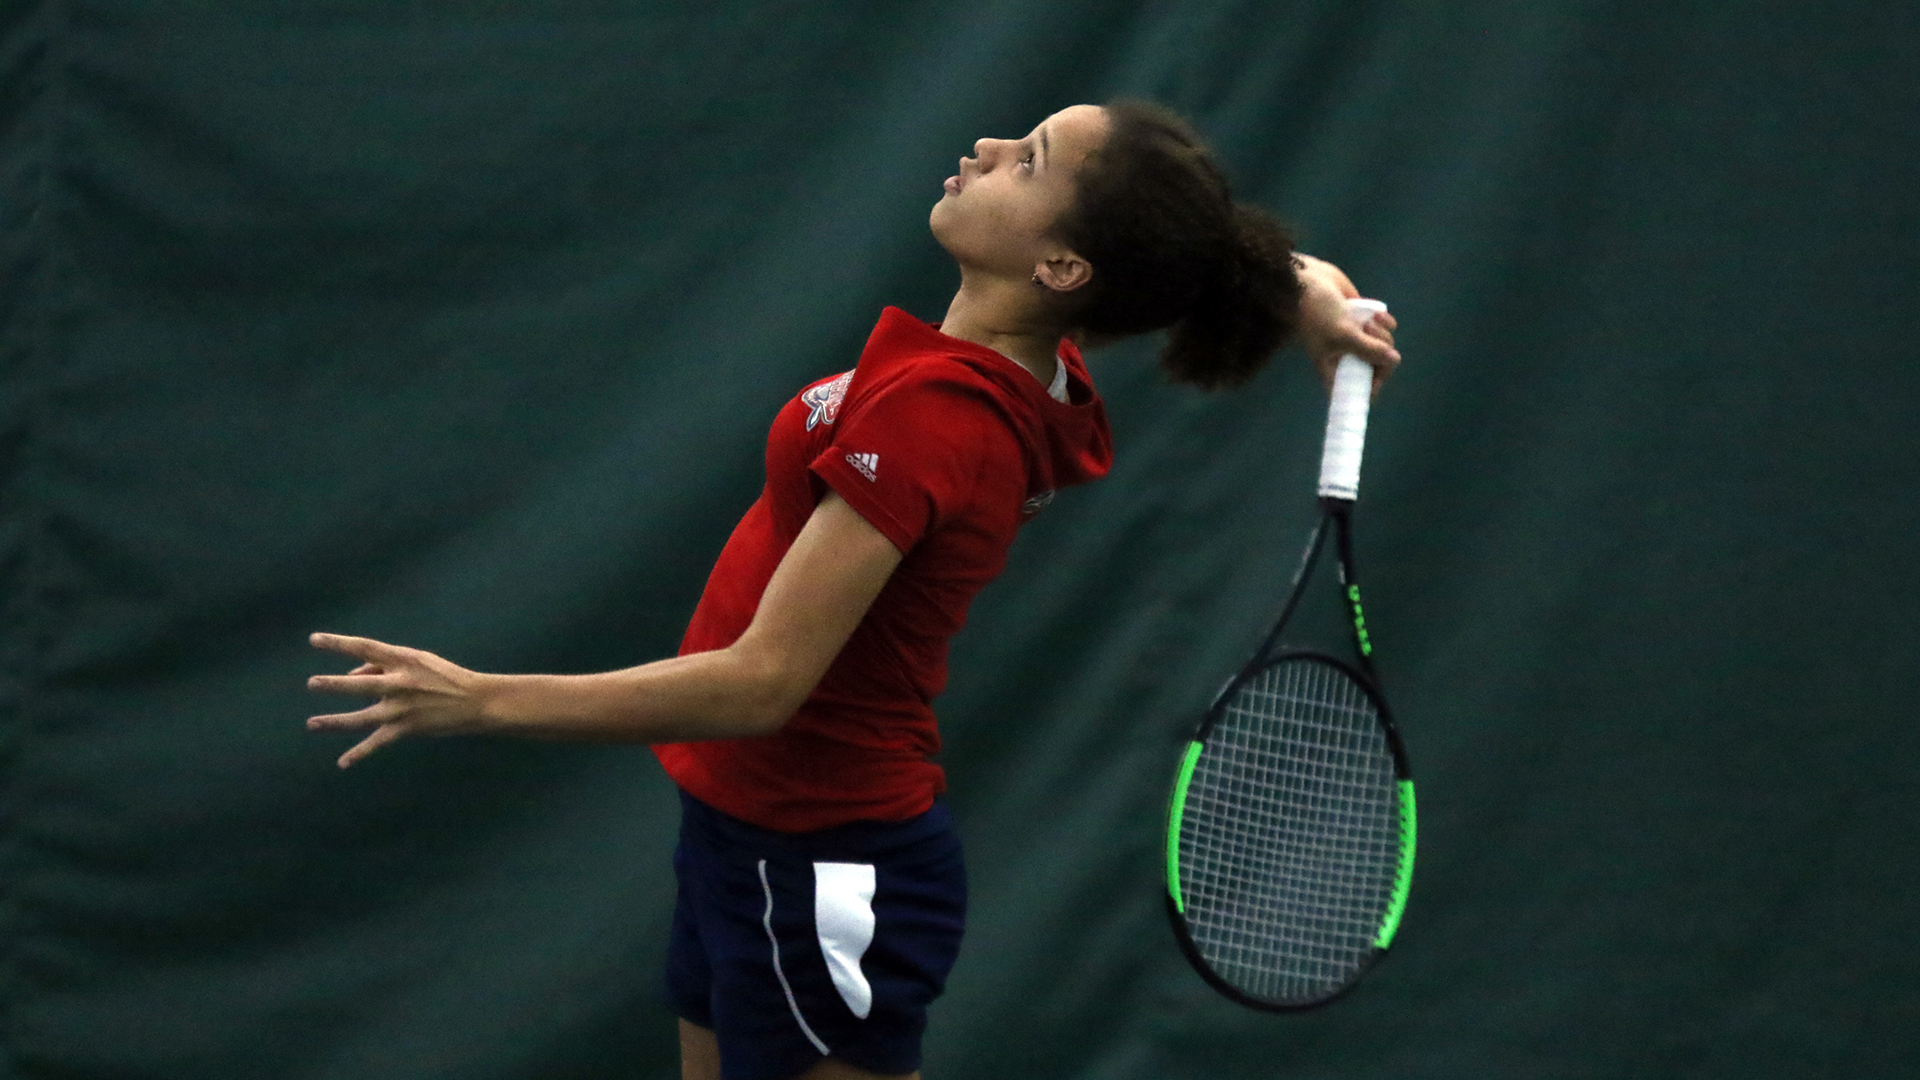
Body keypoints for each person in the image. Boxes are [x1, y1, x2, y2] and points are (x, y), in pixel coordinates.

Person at [307, 100, 1400, 1080]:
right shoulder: (1034, 376)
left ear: (1062, 269)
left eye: (1026, 159)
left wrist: (481, 699)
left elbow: (758, 687)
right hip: (746, 827)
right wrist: (1312, 300)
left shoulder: (944, 420)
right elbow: (1231, 264)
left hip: (819, 856)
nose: (983, 148)